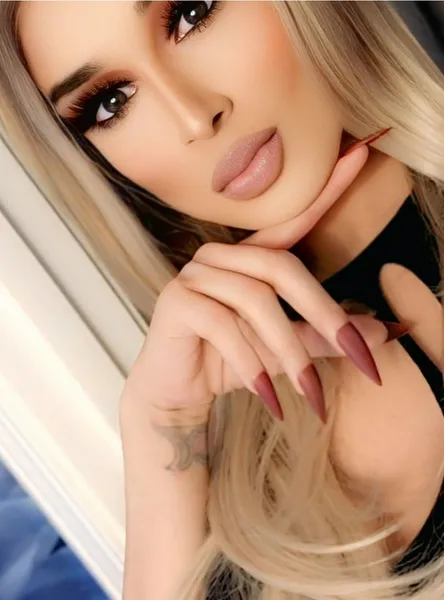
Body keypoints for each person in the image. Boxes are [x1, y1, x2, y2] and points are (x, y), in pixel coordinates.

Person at [0, 2, 443, 599]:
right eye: (112, 101)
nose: (193, 117)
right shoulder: (216, 454)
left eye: (192, 12)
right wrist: (159, 425)